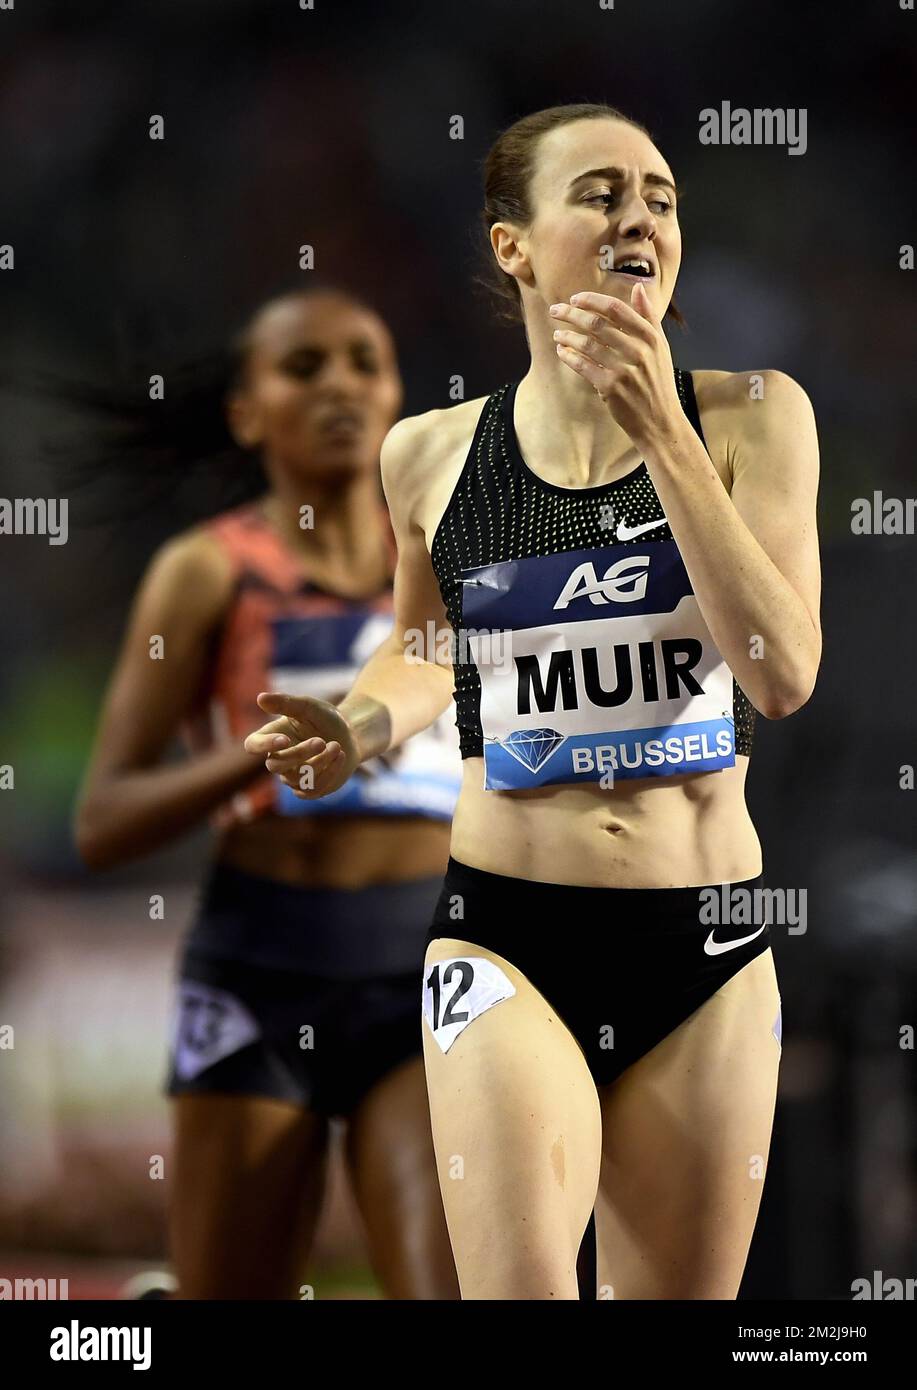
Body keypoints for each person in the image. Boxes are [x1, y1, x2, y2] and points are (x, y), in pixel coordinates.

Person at [245, 103, 822, 1300]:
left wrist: (659, 425)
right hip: (509, 933)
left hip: (703, 938)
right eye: (601, 192)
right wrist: (351, 727)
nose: (638, 218)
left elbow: (777, 670)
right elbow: (424, 648)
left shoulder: (753, 417)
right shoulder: (431, 454)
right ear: (513, 245)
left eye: (659, 197)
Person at [74, 288, 461, 1299]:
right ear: (247, 413)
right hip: (259, 969)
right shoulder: (206, 574)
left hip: (422, 967)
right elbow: (103, 820)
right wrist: (261, 752)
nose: (339, 383)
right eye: (303, 367)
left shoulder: (453, 563)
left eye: (362, 361)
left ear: (395, 394)